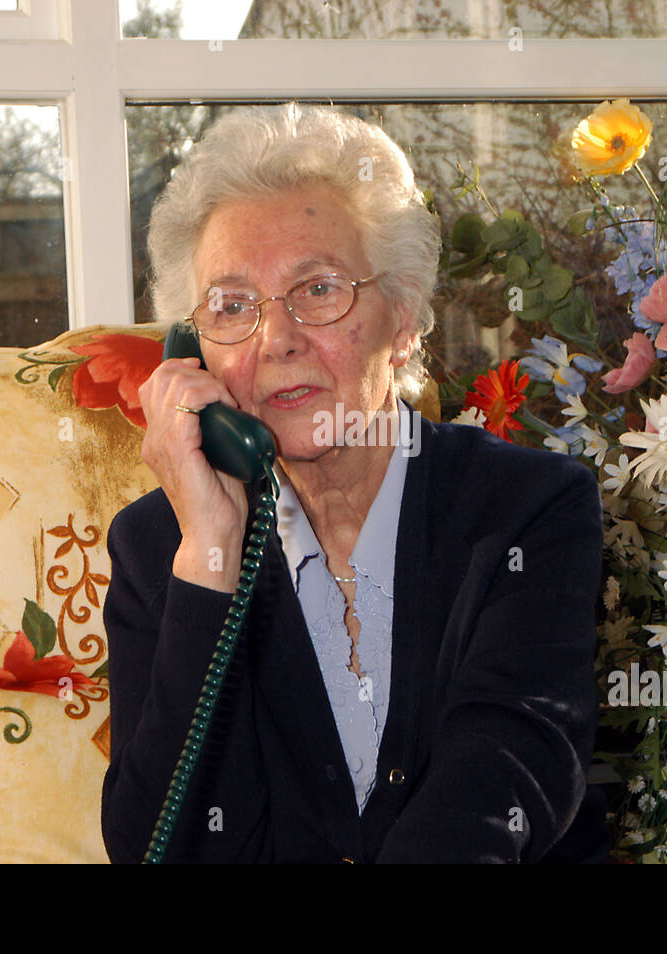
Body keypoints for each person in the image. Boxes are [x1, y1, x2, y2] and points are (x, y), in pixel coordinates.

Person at [101, 102, 607, 863]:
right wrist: (213, 554)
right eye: (232, 306)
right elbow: (159, 846)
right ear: (192, 351)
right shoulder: (158, 548)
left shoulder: (527, 510)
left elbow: (505, 770)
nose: (277, 340)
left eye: (318, 289)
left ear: (402, 317)